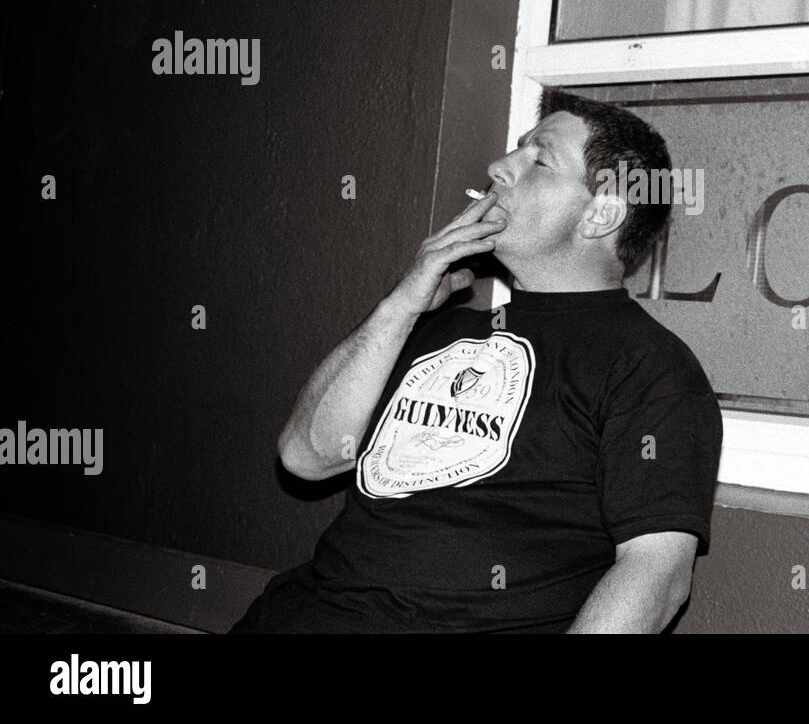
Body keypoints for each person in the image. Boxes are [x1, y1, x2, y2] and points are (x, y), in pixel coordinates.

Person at [230, 88, 723, 633]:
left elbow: (658, 573)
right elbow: (307, 456)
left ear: (600, 214)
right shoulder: (440, 325)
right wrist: (400, 304)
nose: (499, 167)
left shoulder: (648, 367)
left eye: (538, 159)